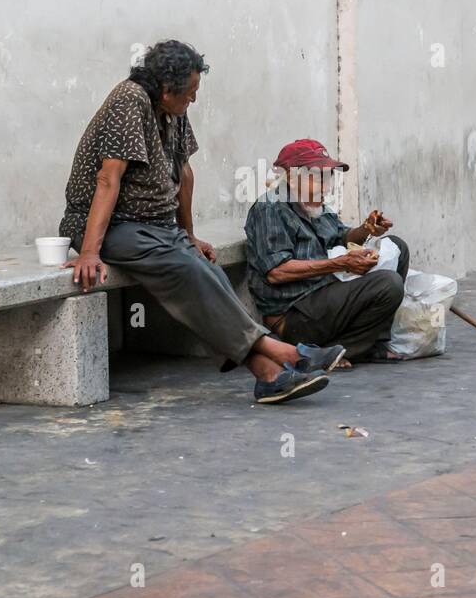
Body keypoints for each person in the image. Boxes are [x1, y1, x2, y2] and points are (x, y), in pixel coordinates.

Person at [58, 41, 345, 404]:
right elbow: (107, 179)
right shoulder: (128, 101)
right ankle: (286, 353)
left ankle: (269, 375)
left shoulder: (173, 108)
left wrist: (188, 234)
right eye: (190, 93)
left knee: (208, 272)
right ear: (167, 88)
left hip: (155, 227)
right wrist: (88, 252)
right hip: (107, 225)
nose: (193, 99)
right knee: (183, 269)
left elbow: (185, 173)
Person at [244, 138, 410, 368]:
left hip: (324, 295)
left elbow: (341, 237)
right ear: (292, 178)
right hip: (294, 313)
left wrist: (366, 229)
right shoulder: (270, 208)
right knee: (388, 283)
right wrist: (341, 264)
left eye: (328, 177)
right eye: (317, 177)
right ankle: (337, 351)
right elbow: (276, 272)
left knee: (396, 246)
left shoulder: (314, 205)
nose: (326, 186)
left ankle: (374, 345)